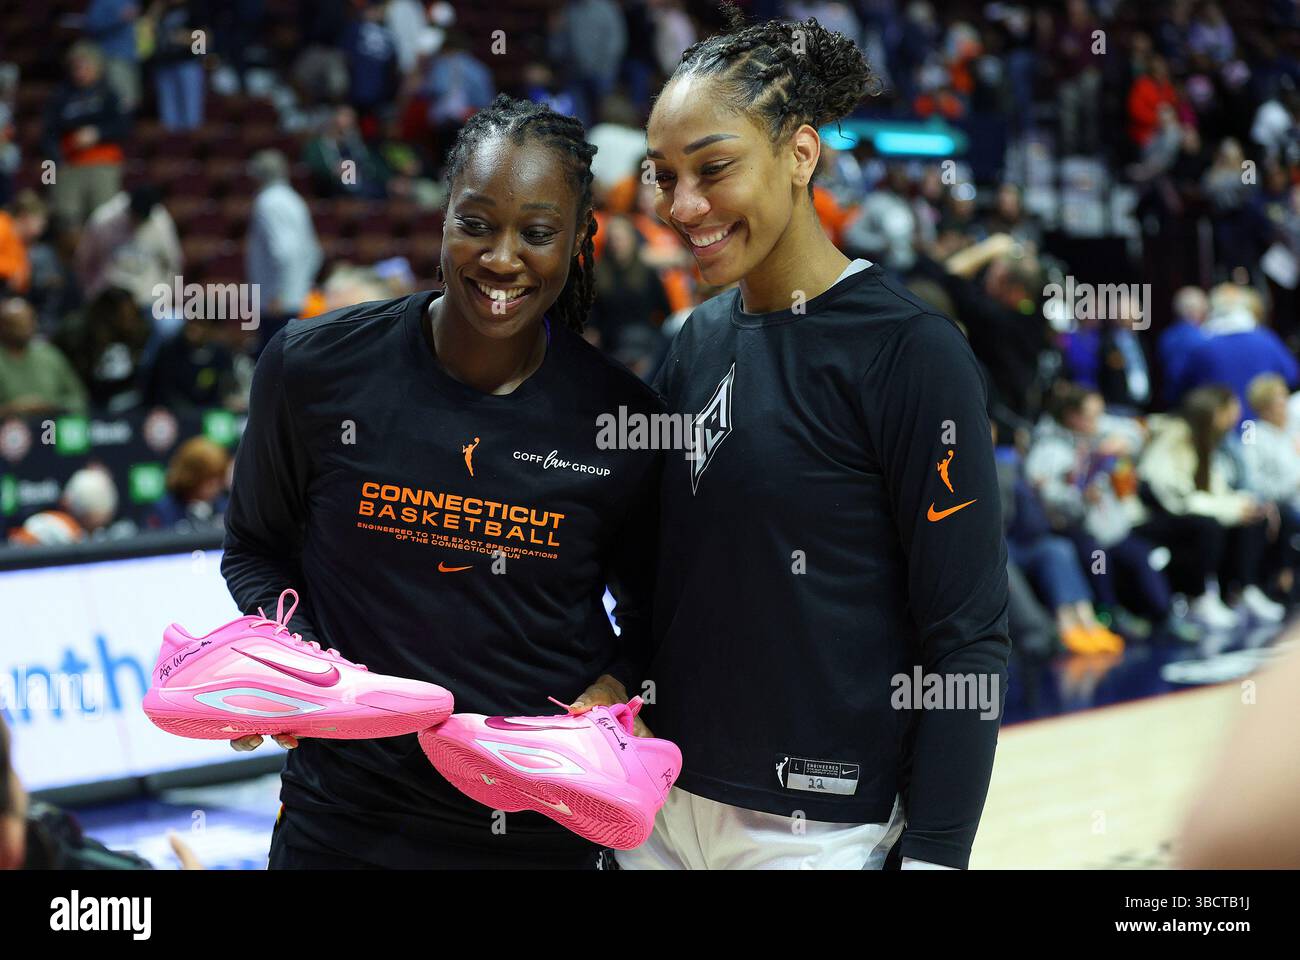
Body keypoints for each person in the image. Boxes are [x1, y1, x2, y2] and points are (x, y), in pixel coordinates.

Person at [221, 95, 663, 869]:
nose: (501, 257)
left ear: (578, 243)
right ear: (442, 219)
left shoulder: (620, 419)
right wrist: (288, 660)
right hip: (341, 823)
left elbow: (659, 614)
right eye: (476, 223)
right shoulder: (314, 368)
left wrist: (615, 685)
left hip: (537, 834)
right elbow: (254, 547)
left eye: (538, 233)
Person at [621, 12, 1010, 871]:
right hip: (658, 804)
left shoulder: (911, 351)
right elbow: (652, 581)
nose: (684, 206)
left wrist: (939, 853)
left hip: (818, 829)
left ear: (800, 154)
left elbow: (968, 636)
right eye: (664, 176)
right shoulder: (693, 340)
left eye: (713, 168)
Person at [41, 43, 128, 227]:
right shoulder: (61, 96)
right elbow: (48, 133)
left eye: (85, 66)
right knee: (66, 219)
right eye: (76, 67)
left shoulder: (109, 94)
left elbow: (124, 126)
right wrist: (56, 160)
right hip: (69, 164)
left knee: (104, 219)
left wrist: (98, 133)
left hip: (102, 163)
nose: (80, 72)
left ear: (97, 67)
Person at [0, 296, 87, 417]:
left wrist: (51, 406)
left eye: (28, 322)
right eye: (15, 324)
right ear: (3, 326)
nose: (24, 329)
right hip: (8, 432)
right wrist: (12, 409)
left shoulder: (50, 355)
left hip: (51, 429)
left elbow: (78, 399)